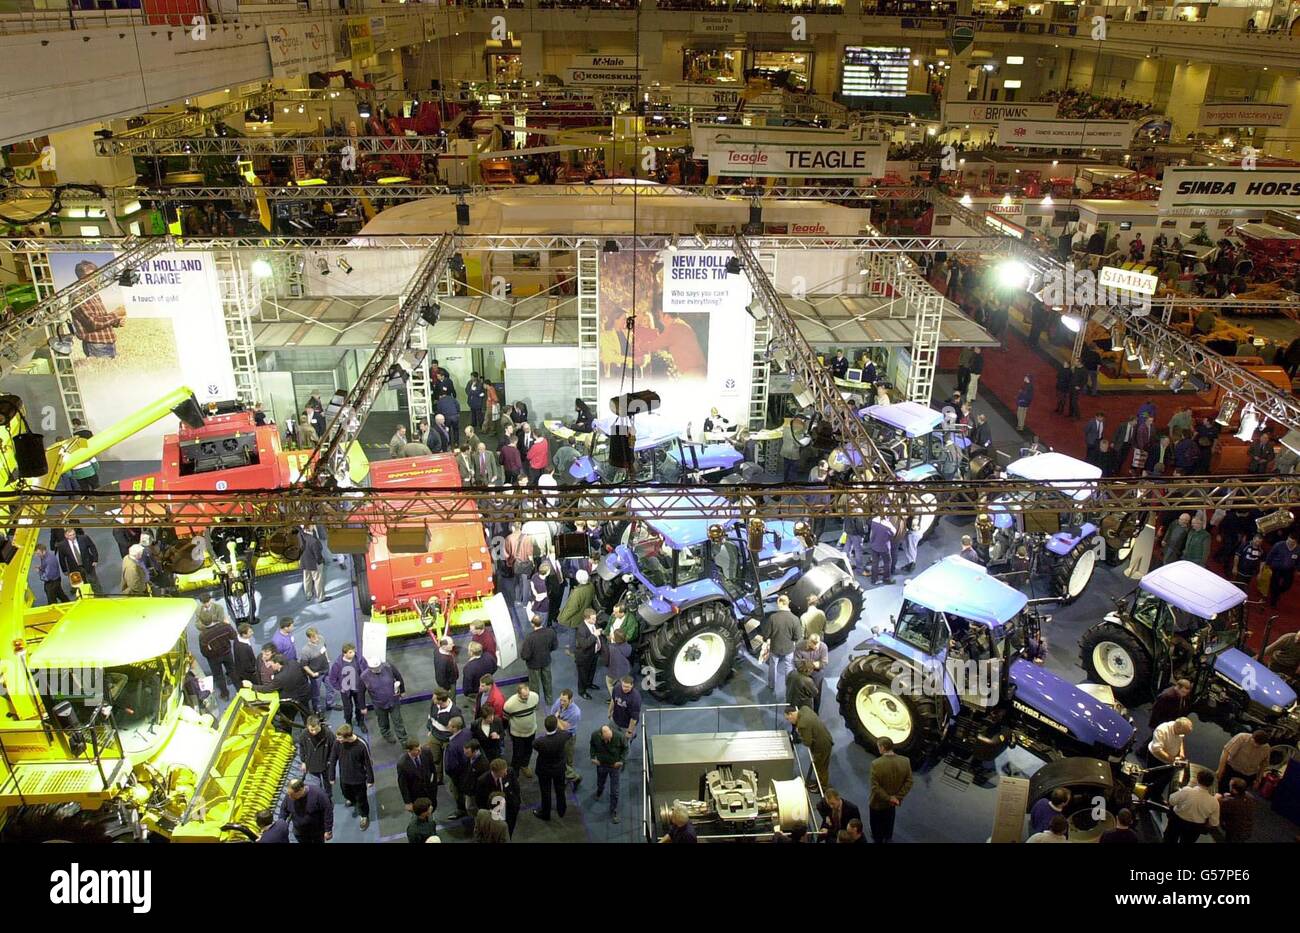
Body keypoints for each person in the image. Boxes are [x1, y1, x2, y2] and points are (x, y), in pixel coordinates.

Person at [868, 736, 912, 843]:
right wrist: (897, 797)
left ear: (882, 748)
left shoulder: (876, 764)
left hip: (877, 802)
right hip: (894, 803)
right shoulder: (905, 761)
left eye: (879, 746)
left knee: (876, 823)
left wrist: (888, 798)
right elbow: (909, 782)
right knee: (889, 820)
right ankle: (888, 837)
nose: (878, 748)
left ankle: (877, 838)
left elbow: (875, 787)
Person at [360, 658, 408, 744]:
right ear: (369, 668)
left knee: (398, 721)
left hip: (393, 701)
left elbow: (398, 677)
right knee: (383, 722)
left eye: (378, 667)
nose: (377, 670)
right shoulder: (364, 676)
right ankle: (386, 734)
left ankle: (404, 740)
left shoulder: (388, 667)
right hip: (379, 704)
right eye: (374, 669)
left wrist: (402, 690)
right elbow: (360, 692)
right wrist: (362, 706)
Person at [786, 705, 833, 791]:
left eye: (788, 719)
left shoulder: (802, 725)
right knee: (822, 766)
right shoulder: (804, 709)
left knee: (821, 767)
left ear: (791, 714)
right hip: (826, 738)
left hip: (821, 747)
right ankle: (820, 782)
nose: (789, 722)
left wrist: (799, 733)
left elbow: (807, 742)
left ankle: (822, 787)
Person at [1165, 768, 1219, 845]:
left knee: (1170, 839)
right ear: (1210, 784)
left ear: (1198, 779)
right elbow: (1214, 822)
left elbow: (1171, 800)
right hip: (1195, 827)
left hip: (1177, 821)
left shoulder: (1187, 791)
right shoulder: (1214, 802)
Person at [1147, 716, 1194, 801]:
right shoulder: (1161, 730)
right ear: (1178, 728)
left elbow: (1181, 740)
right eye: (1184, 732)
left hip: (1170, 761)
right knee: (1150, 778)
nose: (1185, 734)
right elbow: (1157, 750)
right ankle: (1144, 796)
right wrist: (1172, 759)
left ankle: (1156, 795)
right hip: (1156, 759)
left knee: (1165, 780)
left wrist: (1181, 752)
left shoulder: (1179, 730)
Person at [589, 723, 628, 824]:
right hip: (601, 765)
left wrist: (621, 761)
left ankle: (613, 810)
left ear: (611, 732)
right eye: (606, 740)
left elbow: (626, 749)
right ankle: (599, 790)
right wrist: (592, 757)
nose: (608, 741)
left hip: (614, 767)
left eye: (609, 739)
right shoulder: (594, 735)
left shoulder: (620, 736)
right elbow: (592, 745)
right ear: (600, 735)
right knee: (600, 782)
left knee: (614, 790)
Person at [533, 715, 569, 821]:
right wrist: (560, 724)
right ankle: (561, 809)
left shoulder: (540, 742)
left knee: (546, 791)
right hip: (559, 769)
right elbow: (568, 732)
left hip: (544, 770)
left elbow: (534, 745)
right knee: (560, 789)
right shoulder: (563, 736)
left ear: (545, 726)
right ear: (556, 725)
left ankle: (545, 813)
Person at [329, 643, 368, 734]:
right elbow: (332, 678)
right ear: (344, 653)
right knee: (348, 708)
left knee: (360, 706)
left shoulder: (360, 659)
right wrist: (340, 688)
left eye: (353, 651)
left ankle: (360, 721)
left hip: (358, 688)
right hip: (346, 691)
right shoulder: (338, 664)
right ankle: (348, 722)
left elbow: (366, 671)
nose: (353, 654)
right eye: (350, 652)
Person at [476, 758, 522, 836]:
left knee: (508, 831)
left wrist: (516, 803)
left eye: (506, 770)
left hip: (510, 809)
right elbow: (480, 801)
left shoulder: (510, 772)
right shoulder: (482, 781)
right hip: (494, 813)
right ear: (495, 772)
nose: (506, 773)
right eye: (503, 772)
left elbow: (516, 788)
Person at [503, 683, 540, 777]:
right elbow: (506, 718)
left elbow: (534, 708)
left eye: (528, 694)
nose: (527, 697)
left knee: (529, 750)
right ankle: (514, 772)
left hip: (531, 731)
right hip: (517, 734)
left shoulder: (535, 697)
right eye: (524, 696)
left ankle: (524, 766)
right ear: (518, 694)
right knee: (517, 753)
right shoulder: (509, 704)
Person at [280, 778, 333, 843]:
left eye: (292, 795)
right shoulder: (290, 795)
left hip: (316, 832)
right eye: (289, 795)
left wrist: (328, 830)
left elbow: (328, 812)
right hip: (299, 832)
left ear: (300, 790)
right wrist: (281, 822)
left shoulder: (319, 794)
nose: (290, 797)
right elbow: (284, 809)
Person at [520, 614, 557, 704]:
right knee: (547, 682)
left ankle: (535, 703)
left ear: (532, 624)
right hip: (546, 661)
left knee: (534, 686)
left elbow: (525, 655)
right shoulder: (551, 632)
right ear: (542, 622)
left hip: (533, 665)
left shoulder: (530, 638)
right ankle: (549, 701)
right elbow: (554, 646)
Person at [297, 715, 336, 798]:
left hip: (326, 765)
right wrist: (303, 761)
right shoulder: (304, 735)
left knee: (327, 784)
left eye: (316, 729)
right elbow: (302, 747)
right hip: (312, 765)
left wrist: (330, 761)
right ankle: (321, 799)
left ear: (319, 725)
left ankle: (328, 798)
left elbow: (334, 749)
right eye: (311, 730)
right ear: (307, 727)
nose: (314, 732)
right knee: (317, 786)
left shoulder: (328, 734)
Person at [397, 738, 440, 813]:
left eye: (419, 747)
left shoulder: (426, 752)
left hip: (430, 792)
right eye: (416, 750)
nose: (420, 751)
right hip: (416, 796)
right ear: (409, 751)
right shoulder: (402, 764)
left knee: (431, 811)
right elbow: (403, 784)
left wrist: (434, 786)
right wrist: (407, 802)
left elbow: (433, 770)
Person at [56, 527, 100, 595]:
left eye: (74, 534)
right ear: (66, 536)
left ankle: (100, 595)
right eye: (70, 535)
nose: (73, 536)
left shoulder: (84, 538)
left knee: (94, 581)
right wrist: (64, 570)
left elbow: (92, 547)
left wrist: (95, 559)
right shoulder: (62, 545)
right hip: (75, 568)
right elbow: (61, 558)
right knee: (80, 584)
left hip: (88, 564)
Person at [575, 608, 603, 698]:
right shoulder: (581, 629)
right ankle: (582, 691)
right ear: (587, 618)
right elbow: (584, 644)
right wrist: (594, 635)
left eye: (595, 618)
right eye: (593, 619)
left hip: (594, 654)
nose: (595, 620)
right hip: (584, 656)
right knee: (583, 675)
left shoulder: (593, 623)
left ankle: (589, 684)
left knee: (591, 671)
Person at [1217, 777, 1255, 843]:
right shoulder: (1250, 797)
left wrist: (1219, 799)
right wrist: (1229, 796)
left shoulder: (1229, 802)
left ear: (1234, 790)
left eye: (1230, 786)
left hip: (1234, 830)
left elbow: (1220, 813)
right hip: (1247, 829)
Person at [1265, 533, 1298, 608]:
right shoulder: (1278, 545)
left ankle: (1277, 593)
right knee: (1274, 584)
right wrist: (1267, 564)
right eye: (1288, 541)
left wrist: (1298, 569)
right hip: (1277, 568)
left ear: (1295, 542)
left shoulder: (1298, 549)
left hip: (1289, 569)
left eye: (1292, 542)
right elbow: (1271, 554)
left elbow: (1298, 560)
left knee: (1287, 585)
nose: (1289, 543)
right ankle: (1273, 601)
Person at [609, 676, 641, 742]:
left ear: (632, 685)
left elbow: (634, 718)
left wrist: (629, 731)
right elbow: (613, 700)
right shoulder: (616, 688)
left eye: (627, 687)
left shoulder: (635, 698)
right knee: (613, 736)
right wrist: (609, 711)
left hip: (626, 725)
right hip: (615, 719)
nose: (624, 688)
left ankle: (632, 734)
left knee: (625, 743)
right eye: (623, 686)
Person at [868, 514, 896, 585]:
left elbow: (871, 533)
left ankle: (874, 579)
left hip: (874, 545)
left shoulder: (874, 520)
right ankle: (886, 578)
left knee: (875, 563)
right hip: (884, 547)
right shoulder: (888, 525)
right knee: (887, 562)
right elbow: (894, 533)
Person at [780, 416, 811, 482]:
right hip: (793, 454)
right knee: (793, 470)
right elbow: (799, 444)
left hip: (785, 451)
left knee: (786, 468)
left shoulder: (786, 428)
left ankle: (785, 482)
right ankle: (791, 484)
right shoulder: (798, 431)